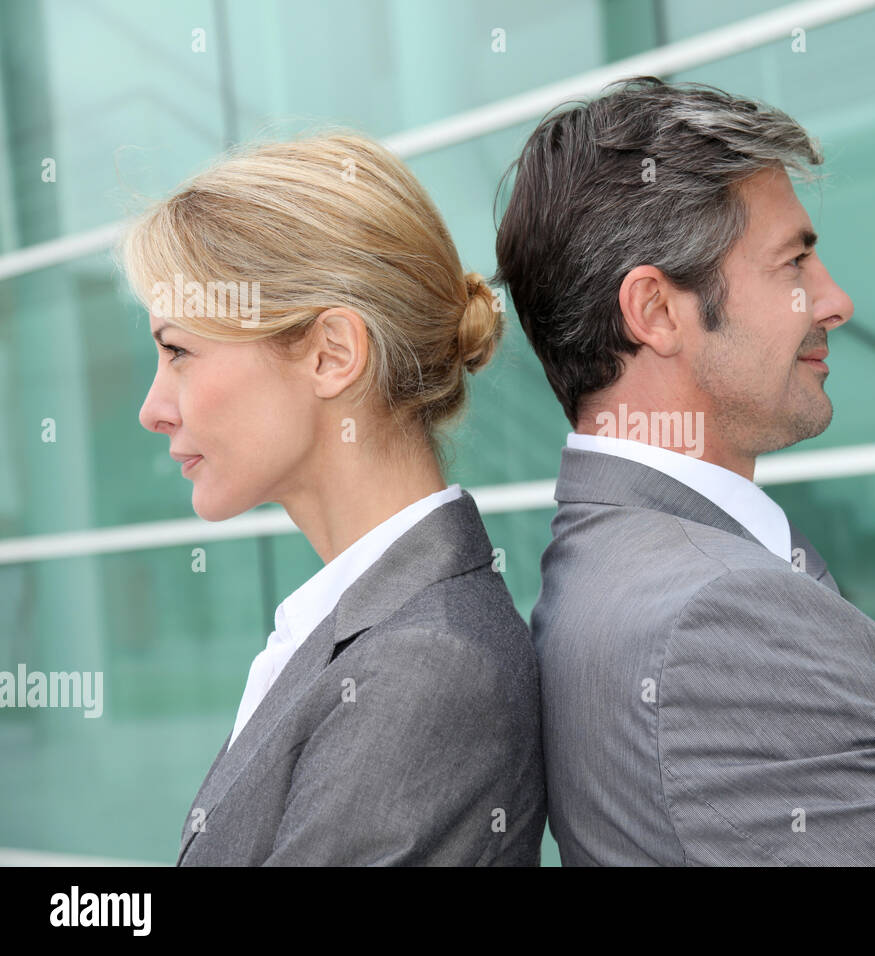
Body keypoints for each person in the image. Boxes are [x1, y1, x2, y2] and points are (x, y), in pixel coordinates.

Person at [494, 77, 875, 866]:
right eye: (794, 262)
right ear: (656, 312)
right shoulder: (718, 613)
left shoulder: (602, 565)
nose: (835, 301)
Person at [124, 132, 545, 865]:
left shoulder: (425, 667)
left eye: (178, 351)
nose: (153, 408)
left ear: (332, 355)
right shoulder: (358, 632)